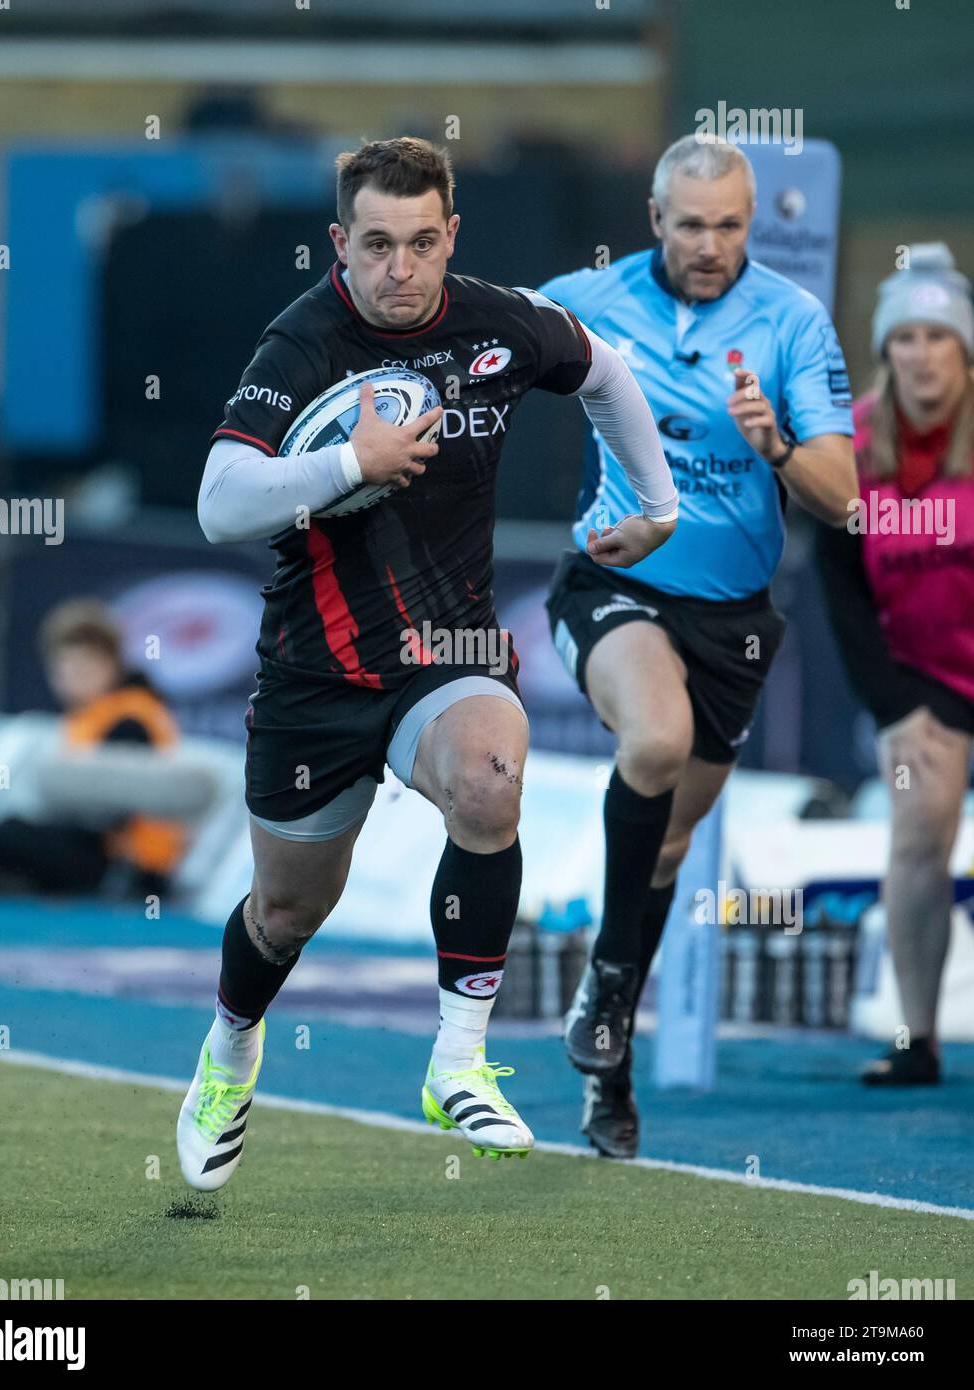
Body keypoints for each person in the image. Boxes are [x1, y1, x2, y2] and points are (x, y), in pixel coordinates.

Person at [178, 136, 680, 1190]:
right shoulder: (301, 341)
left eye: (419, 243)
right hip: (313, 672)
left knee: (490, 781)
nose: (397, 270)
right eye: (374, 245)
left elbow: (607, 372)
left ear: (450, 234)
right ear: (339, 244)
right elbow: (219, 503)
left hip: (445, 654)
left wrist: (658, 505)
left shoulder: (503, 323)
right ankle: (229, 1046)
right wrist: (348, 463)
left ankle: (457, 1062)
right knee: (283, 914)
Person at [540, 134, 857, 1157]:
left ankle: (607, 1030)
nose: (710, 244)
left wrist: (771, 444)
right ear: (652, 219)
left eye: (728, 225)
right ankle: (611, 996)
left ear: (749, 223)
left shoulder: (790, 323)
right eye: (690, 224)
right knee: (655, 741)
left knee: (669, 846)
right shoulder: (589, 302)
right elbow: (473, 334)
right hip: (612, 579)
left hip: (732, 620)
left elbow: (842, 497)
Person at [816, 243, 974, 1086]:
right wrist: (892, 709)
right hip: (919, 671)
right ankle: (920, 1037)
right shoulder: (851, 444)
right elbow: (838, 589)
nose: (921, 353)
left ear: (964, 350)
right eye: (904, 337)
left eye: (937, 337)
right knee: (920, 831)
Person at [0, 599, 184, 899]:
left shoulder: (130, 719)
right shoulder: (94, 716)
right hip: (98, 850)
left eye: (85, 665)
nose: (74, 676)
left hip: (126, 866)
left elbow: (108, 812)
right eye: (66, 666)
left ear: (112, 665)